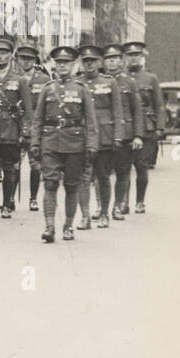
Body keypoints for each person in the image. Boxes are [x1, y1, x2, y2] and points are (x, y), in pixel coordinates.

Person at [29, 46, 99, 244]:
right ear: (54, 64)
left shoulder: (81, 90)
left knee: (71, 187)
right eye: (58, 62)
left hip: (75, 144)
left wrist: (92, 146)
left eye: (66, 63)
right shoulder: (48, 89)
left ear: (74, 65)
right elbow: (38, 120)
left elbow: (91, 122)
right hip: (50, 142)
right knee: (50, 184)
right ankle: (49, 226)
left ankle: (68, 226)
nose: (62, 66)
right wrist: (35, 143)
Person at [74, 45, 124, 230]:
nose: (89, 65)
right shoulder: (77, 83)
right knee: (83, 179)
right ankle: (85, 216)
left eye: (92, 61)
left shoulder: (109, 82)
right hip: (82, 137)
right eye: (85, 61)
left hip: (104, 136)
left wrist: (118, 137)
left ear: (99, 62)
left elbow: (117, 112)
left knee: (103, 177)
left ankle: (104, 213)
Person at [0, 39, 33, 219]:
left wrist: (26, 132)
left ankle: (6, 204)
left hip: (11, 128)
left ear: (10, 56)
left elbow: (28, 109)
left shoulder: (19, 80)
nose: (0, 57)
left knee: (9, 168)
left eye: (3, 53)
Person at [123, 41, 165, 212]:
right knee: (124, 166)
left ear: (142, 58)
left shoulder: (150, 78)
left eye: (137, 56)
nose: (134, 59)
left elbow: (159, 105)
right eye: (130, 55)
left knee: (141, 166)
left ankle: (140, 201)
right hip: (126, 126)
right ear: (126, 58)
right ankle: (123, 202)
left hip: (147, 128)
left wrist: (160, 128)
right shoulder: (120, 77)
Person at [104, 43, 144, 220]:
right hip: (105, 133)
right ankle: (101, 207)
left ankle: (118, 205)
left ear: (121, 61)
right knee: (102, 173)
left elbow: (137, 111)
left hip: (126, 133)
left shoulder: (130, 82)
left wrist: (137, 135)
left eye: (115, 59)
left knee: (122, 171)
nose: (111, 63)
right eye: (108, 59)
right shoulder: (100, 81)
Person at [16, 46, 52, 211]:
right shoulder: (14, 77)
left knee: (35, 164)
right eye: (23, 58)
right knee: (14, 164)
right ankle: (10, 198)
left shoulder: (43, 79)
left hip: (35, 125)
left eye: (29, 59)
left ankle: (33, 198)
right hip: (16, 124)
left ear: (35, 60)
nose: (26, 62)